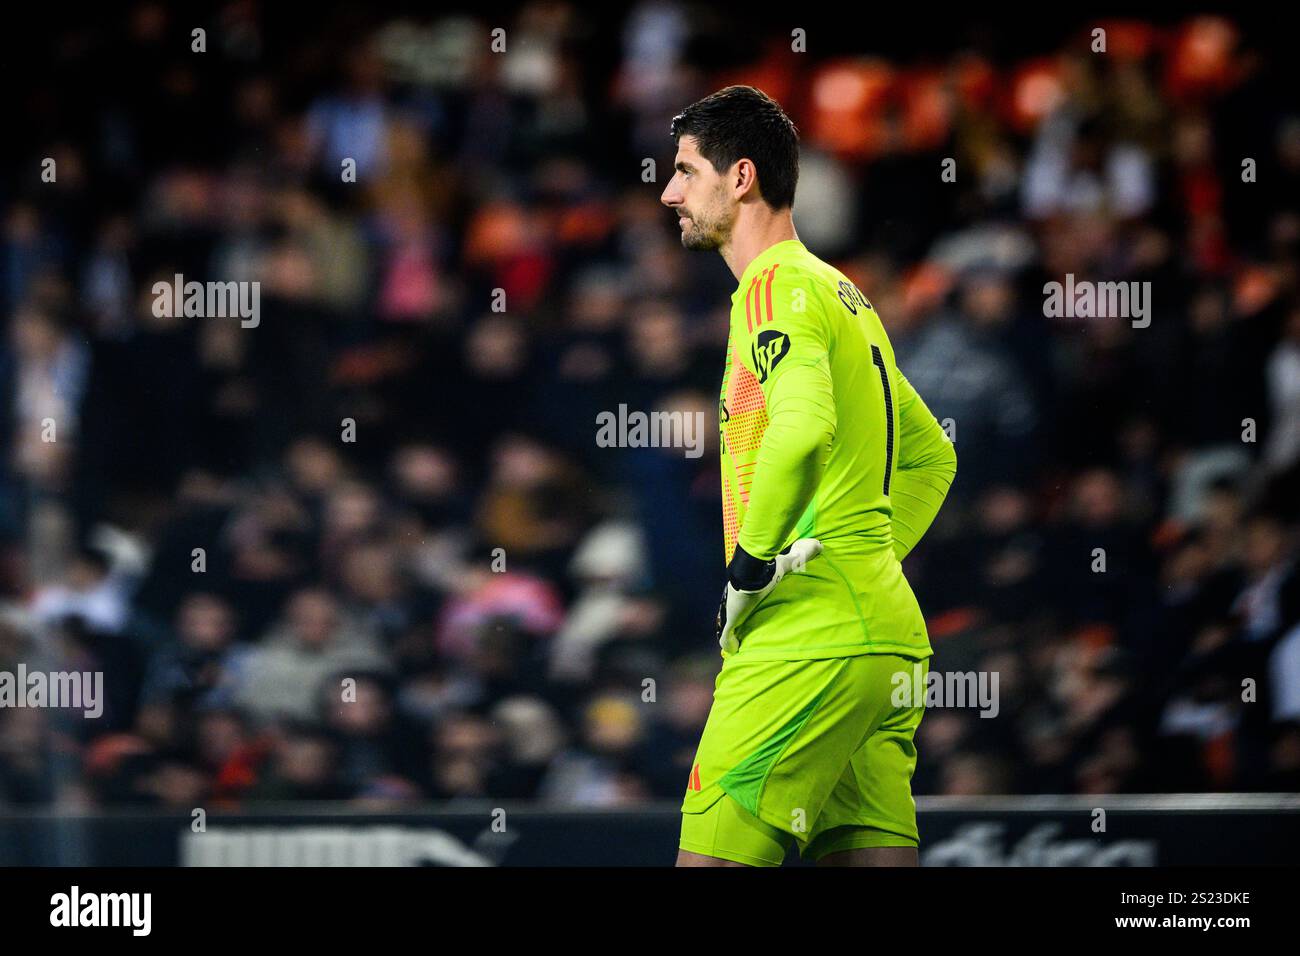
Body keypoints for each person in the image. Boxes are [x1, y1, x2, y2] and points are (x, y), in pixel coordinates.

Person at [660, 86, 957, 867]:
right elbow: (932, 456)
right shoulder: (842, 292)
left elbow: (799, 432)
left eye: (686, 171)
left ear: (742, 177)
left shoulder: (772, 288)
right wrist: (867, 557)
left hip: (804, 640)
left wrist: (748, 573)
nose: (669, 192)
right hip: (881, 640)